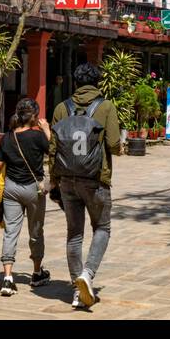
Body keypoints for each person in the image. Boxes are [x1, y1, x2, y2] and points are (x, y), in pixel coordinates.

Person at [50, 61, 120, 310]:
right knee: (102, 227)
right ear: (98, 82)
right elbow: (113, 144)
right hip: (96, 180)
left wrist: (53, 181)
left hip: (67, 180)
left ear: (76, 83)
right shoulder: (106, 107)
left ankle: (76, 290)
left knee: (74, 234)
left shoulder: (61, 108)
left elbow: (53, 149)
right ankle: (87, 274)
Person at [0, 97, 51, 297]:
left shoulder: (8, 137)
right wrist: (47, 130)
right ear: (34, 116)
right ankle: (37, 273)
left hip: (12, 188)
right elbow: (55, 151)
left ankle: (7, 278)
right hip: (34, 190)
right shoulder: (38, 136)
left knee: (10, 232)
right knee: (35, 231)